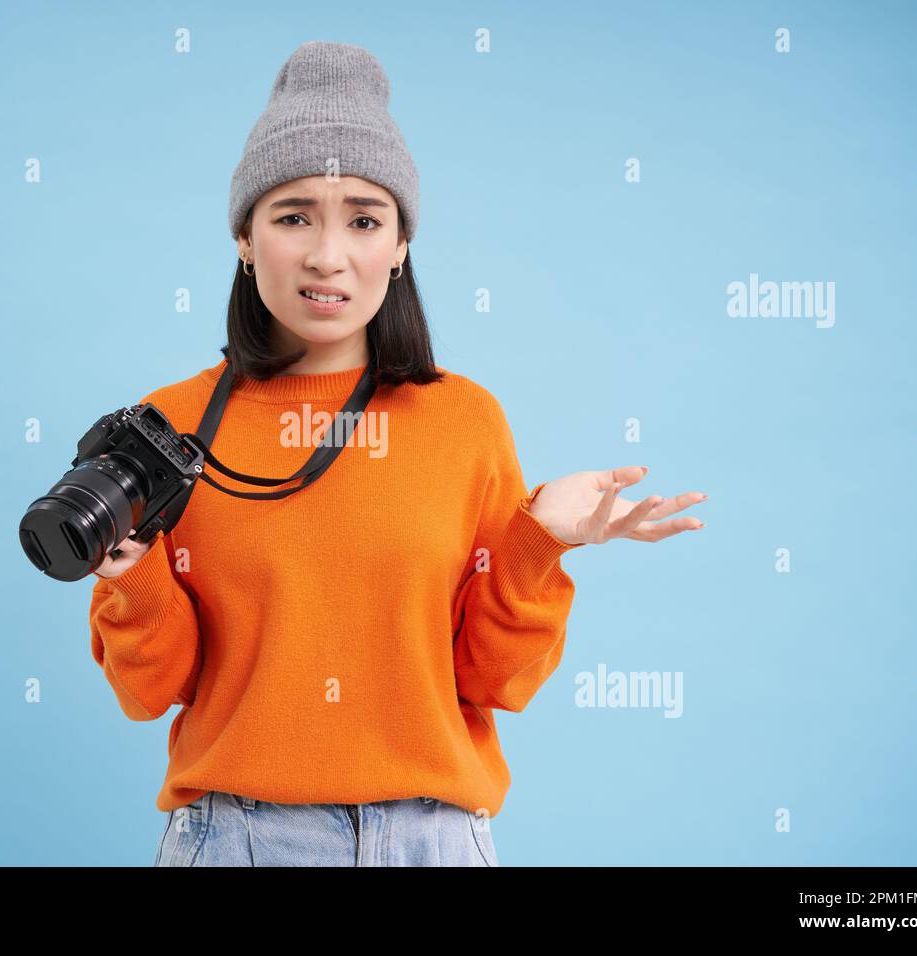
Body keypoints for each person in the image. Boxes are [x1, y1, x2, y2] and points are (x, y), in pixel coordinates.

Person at [88, 41, 708, 867]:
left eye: (365, 220)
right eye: (293, 215)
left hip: (434, 839)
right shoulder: (168, 428)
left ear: (401, 245)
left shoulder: (465, 421)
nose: (328, 255)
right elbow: (146, 691)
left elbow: (495, 683)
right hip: (238, 838)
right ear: (244, 236)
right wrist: (132, 574)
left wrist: (539, 544)